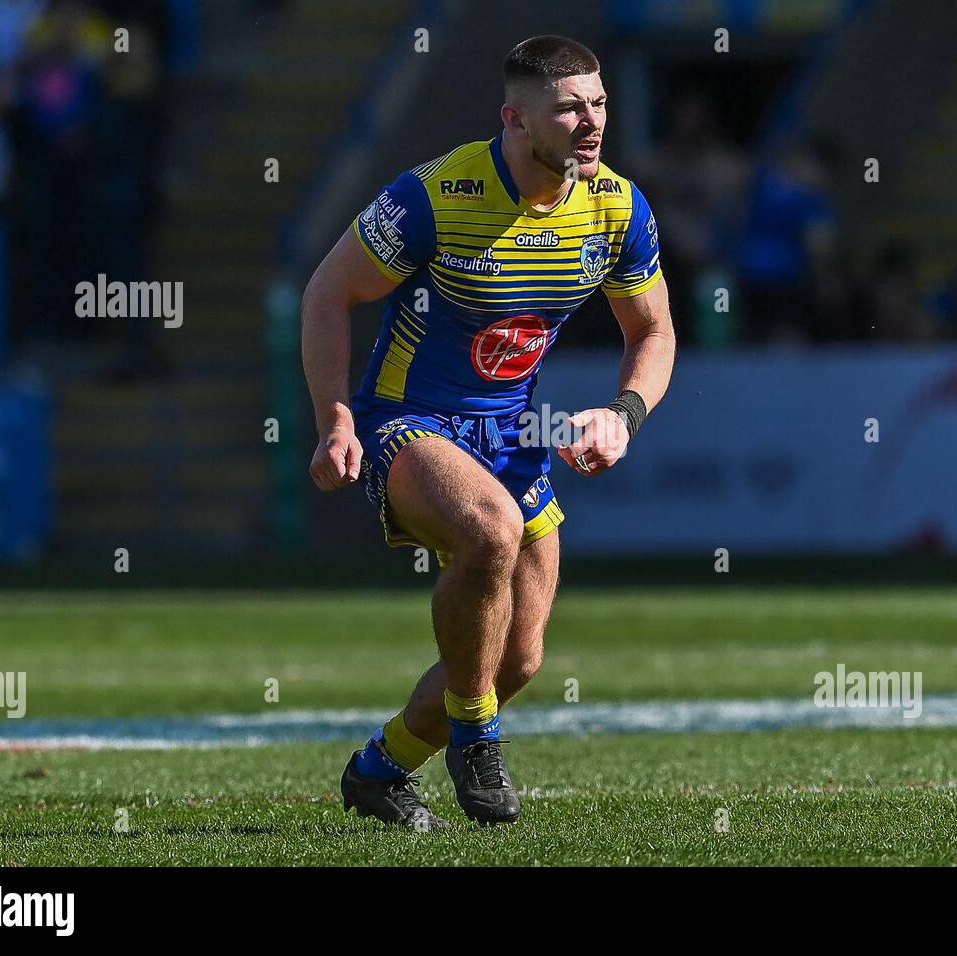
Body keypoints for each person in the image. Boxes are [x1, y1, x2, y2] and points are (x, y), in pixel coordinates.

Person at [301, 35, 675, 827]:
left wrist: (625, 414)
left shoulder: (616, 207)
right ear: (514, 117)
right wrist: (335, 417)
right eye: (568, 106)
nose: (590, 121)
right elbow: (328, 293)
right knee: (491, 531)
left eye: (599, 102)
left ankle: (380, 770)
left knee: (519, 658)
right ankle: (478, 740)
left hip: (515, 433)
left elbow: (654, 333)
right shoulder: (434, 195)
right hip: (408, 422)